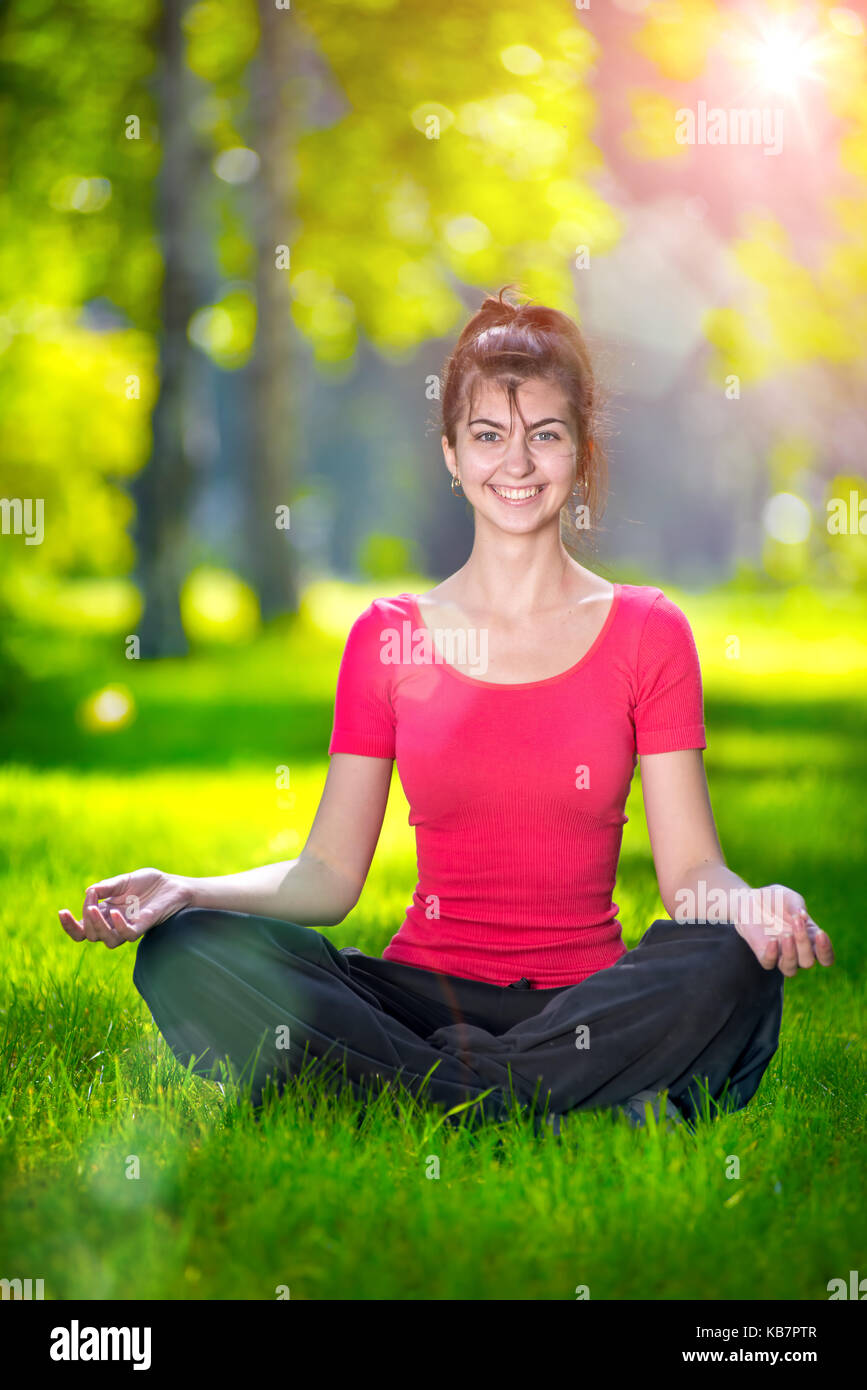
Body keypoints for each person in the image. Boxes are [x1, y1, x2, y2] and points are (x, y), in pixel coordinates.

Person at [58, 286, 834, 1135]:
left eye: (544, 434)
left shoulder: (647, 630)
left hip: (584, 1004)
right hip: (417, 1003)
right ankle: (558, 1109)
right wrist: (185, 891)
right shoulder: (387, 636)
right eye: (488, 436)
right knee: (190, 947)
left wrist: (756, 900)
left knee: (733, 961)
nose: (517, 463)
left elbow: (692, 878)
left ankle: (419, 1102)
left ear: (579, 451)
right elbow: (326, 879)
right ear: (451, 454)